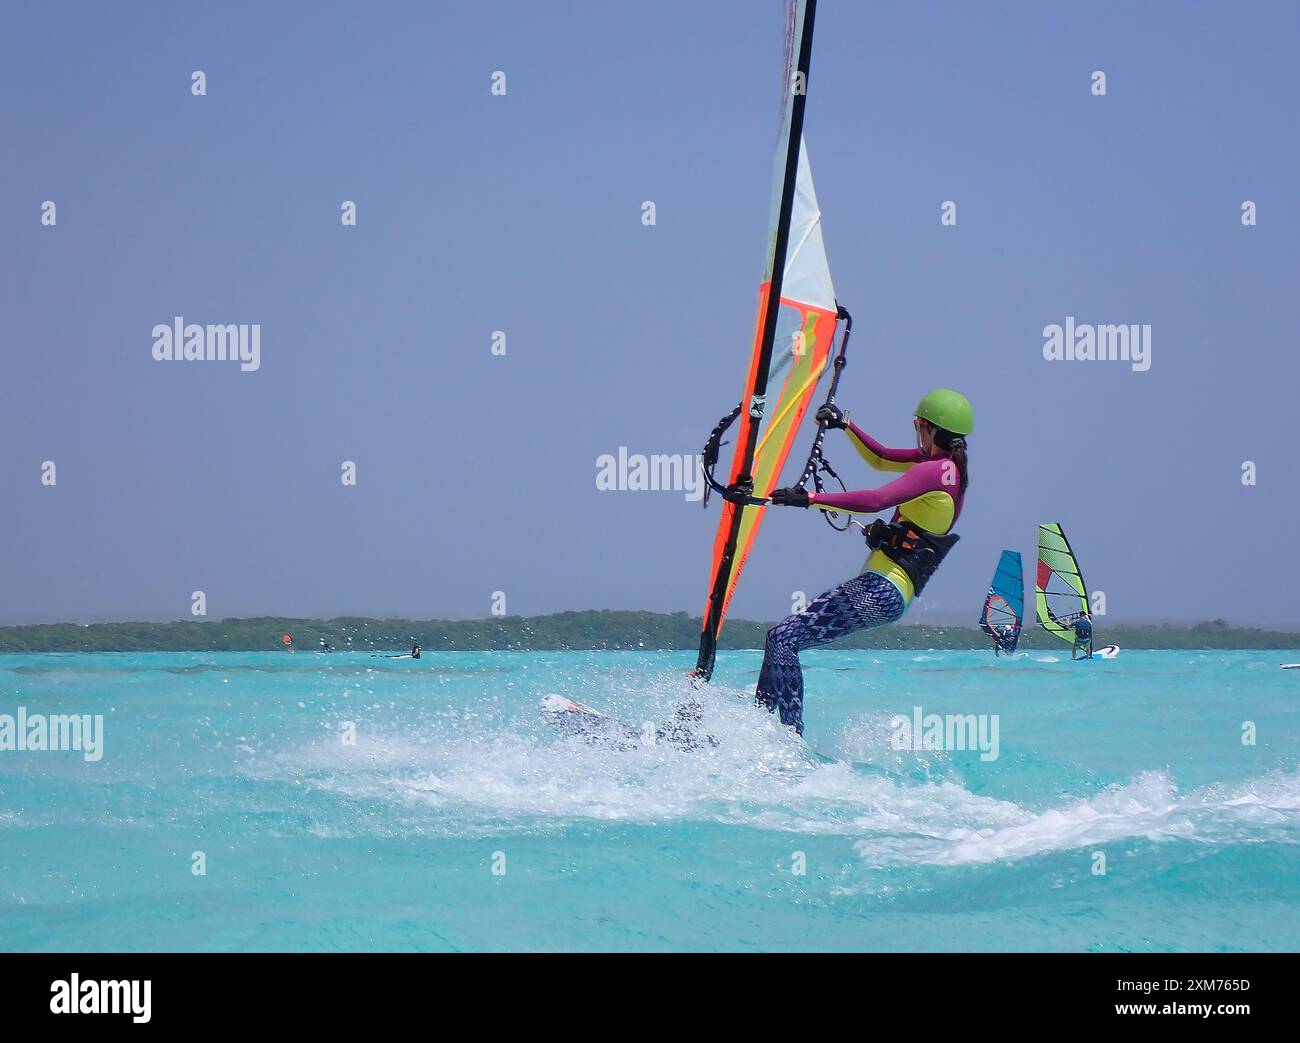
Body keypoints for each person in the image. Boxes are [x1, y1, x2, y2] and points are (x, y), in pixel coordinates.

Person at [760, 389, 973, 734]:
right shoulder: (946, 470)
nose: (917, 431)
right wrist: (845, 424)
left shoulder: (935, 471)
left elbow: (877, 500)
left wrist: (810, 499)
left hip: (882, 588)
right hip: (888, 592)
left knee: (783, 639)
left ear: (930, 429)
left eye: (919, 425)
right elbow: (881, 458)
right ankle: (760, 725)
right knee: (779, 640)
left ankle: (787, 739)